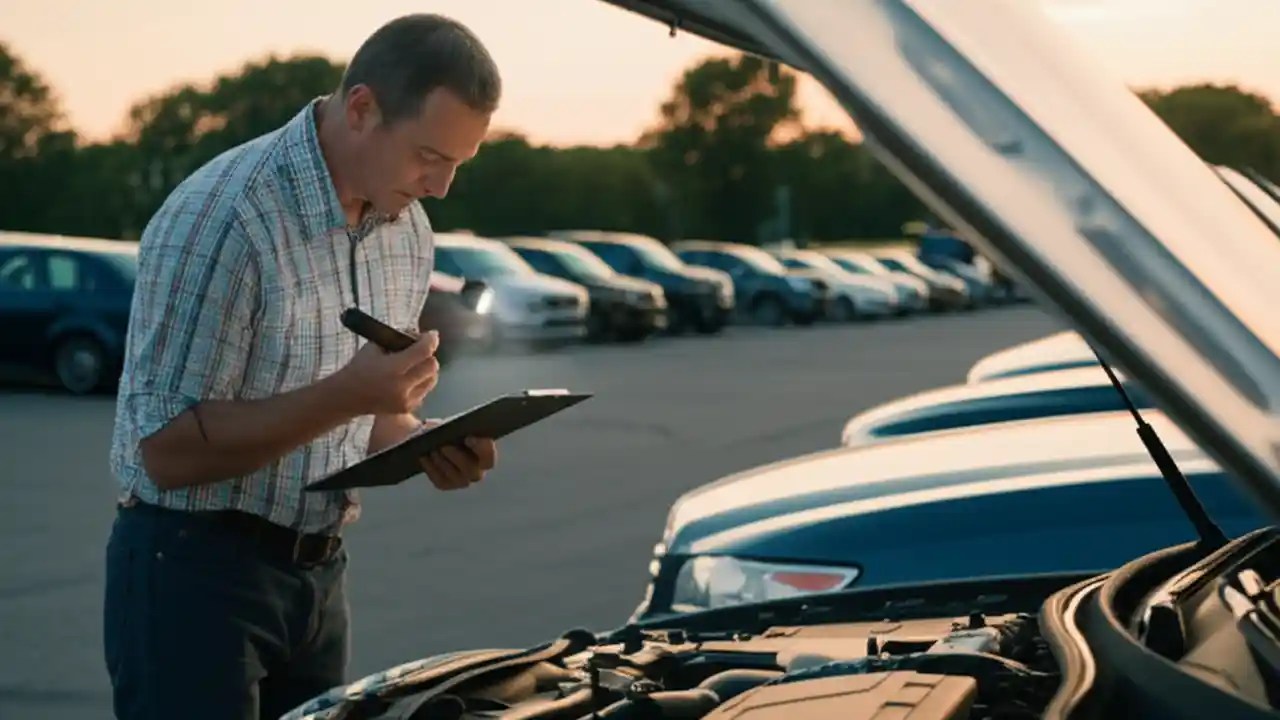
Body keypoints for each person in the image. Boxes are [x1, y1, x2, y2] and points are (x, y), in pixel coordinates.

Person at [103, 14, 502, 720]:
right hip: (192, 574)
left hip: (319, 574)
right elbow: (163, 451)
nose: (440, 186)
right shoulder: (224, 216)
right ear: (361, 109)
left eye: (459, 165)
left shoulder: (406, 229)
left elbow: (365, 416)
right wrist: (349, 397)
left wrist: (421, 441)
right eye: (428, 156)